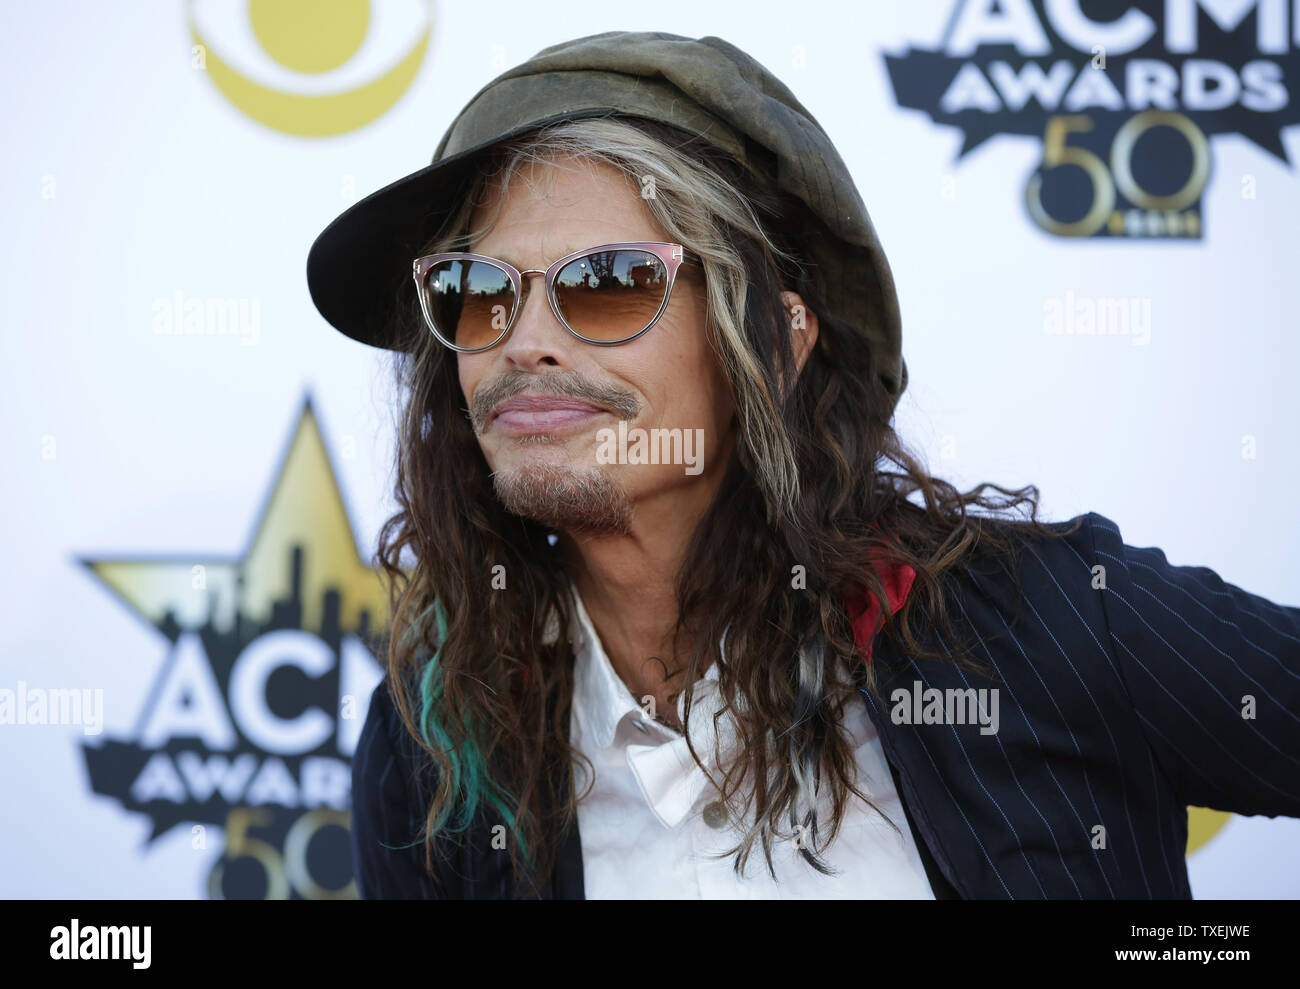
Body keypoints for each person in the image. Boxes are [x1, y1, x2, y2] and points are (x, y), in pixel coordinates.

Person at [306, 31, 1300, 899]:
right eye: (479, 290)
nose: (521, 342)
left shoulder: (1047, 620)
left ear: (775, 343)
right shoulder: (435, 737)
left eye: (605, 283)